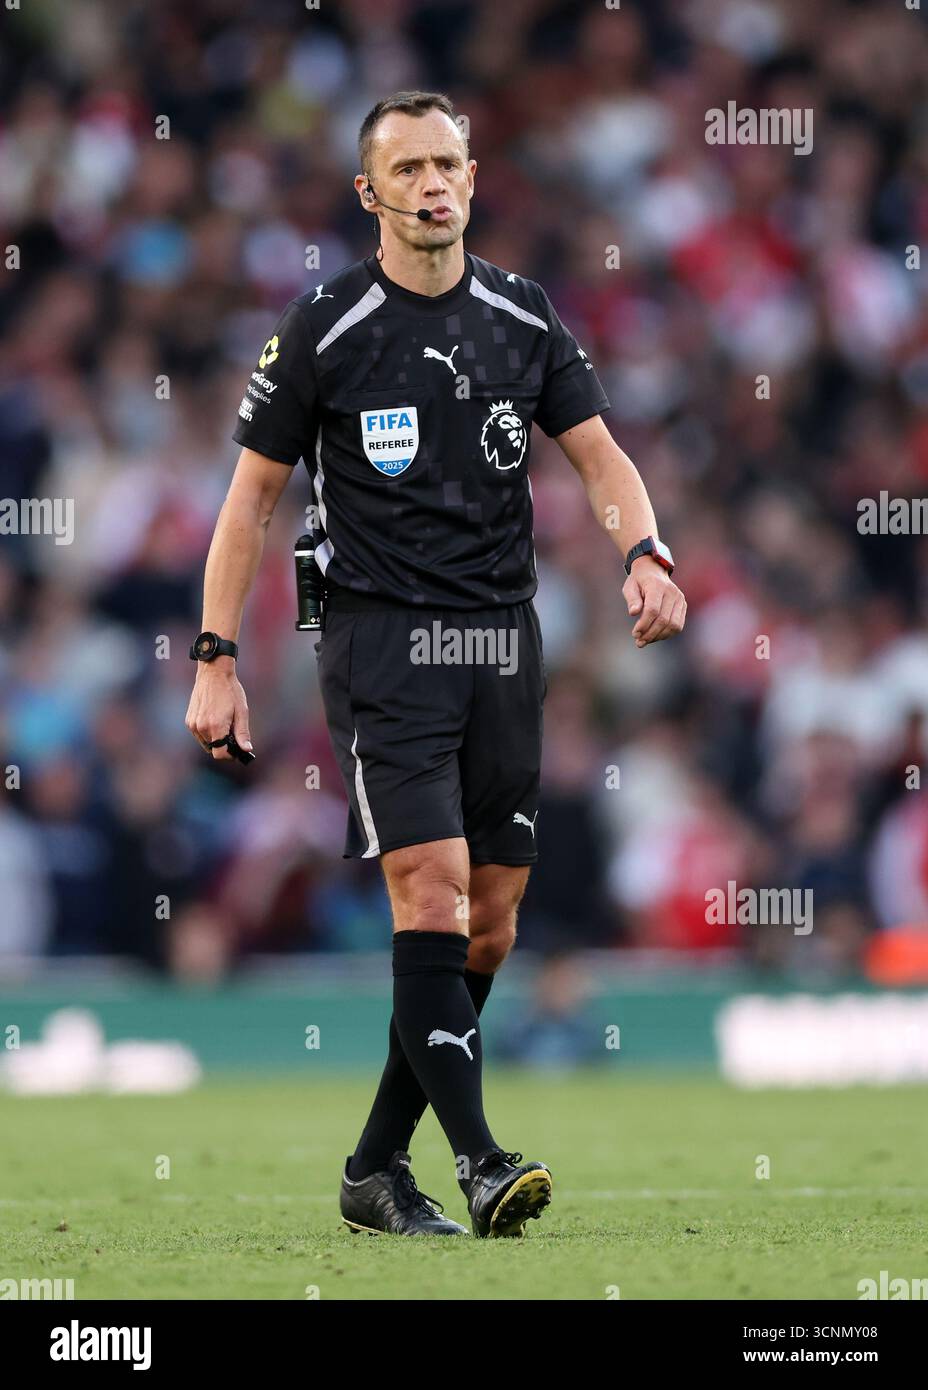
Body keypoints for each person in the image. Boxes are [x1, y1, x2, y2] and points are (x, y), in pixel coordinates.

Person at [185, 90, 686, 1238]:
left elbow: (599, 455)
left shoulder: (521, 314)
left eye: (447, 163)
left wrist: (646, 551)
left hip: (504, 642)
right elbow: (249, 500)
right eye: (406, 167)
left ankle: (372, 1169)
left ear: (472, 176)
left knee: (490, 925)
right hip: (381, 644)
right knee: (430, 889)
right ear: (369, 193)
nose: (431, 184)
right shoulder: (323, 327)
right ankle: (477, 1159)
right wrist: (216, 657)